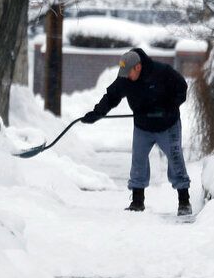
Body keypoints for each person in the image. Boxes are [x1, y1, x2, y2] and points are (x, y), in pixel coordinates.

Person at [81, 48, 192, 216]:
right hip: (143, 126)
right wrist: (97, 113)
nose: (126, 77)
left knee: (175, 159)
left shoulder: (162, 72)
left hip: (167, 125)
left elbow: (182, 88)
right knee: (138, 161)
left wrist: (169, 107)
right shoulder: (125, 79)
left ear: (138, 67)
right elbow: (111, 96)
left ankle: (184, 201)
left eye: (129, 73)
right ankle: (137, 201)